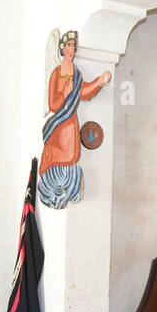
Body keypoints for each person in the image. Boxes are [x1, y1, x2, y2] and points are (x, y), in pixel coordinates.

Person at [39, 31, 111, 208]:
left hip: (71, 122)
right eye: (69, 46)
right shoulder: (57, 72)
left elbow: (83, 92)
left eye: (74, 46)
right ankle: (53, 188)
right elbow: (53, 104)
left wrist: (99, 81)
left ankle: (67, 187)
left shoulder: (75, 72)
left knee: (71, 154)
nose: (71, 49)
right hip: (60, 123)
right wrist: (64, 93)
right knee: (59, 154)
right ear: (62, 48)